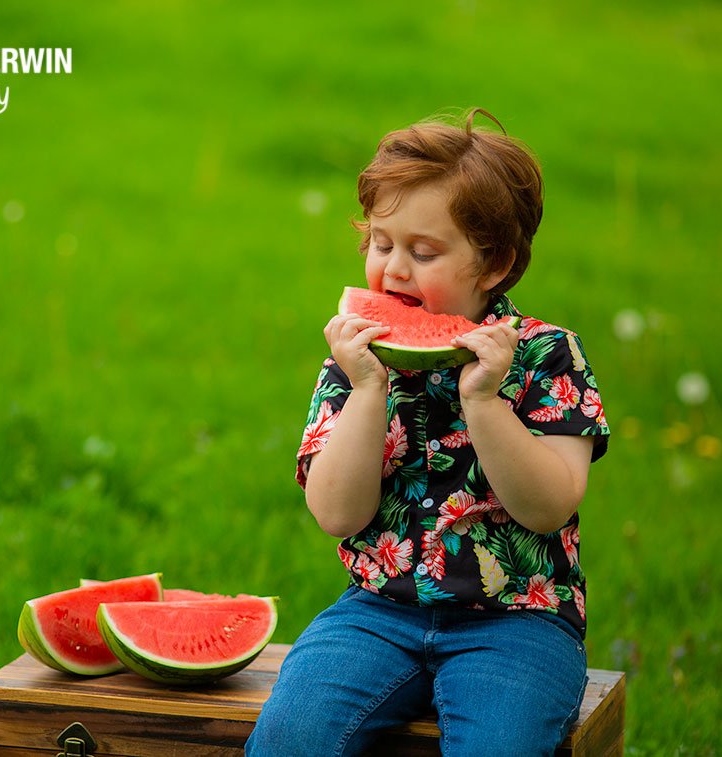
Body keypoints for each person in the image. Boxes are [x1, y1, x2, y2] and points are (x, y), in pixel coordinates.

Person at [245, 109, 611, 756]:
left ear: (493, 264)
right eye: (381, 244)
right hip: (378, 609)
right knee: (289, 737)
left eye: (424, 251)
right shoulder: (358, 359)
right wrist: (366, 391)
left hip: (520, 621)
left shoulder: (547, 356)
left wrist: (485, 401)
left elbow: (550, 504)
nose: (395, 270)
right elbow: (336, 512)